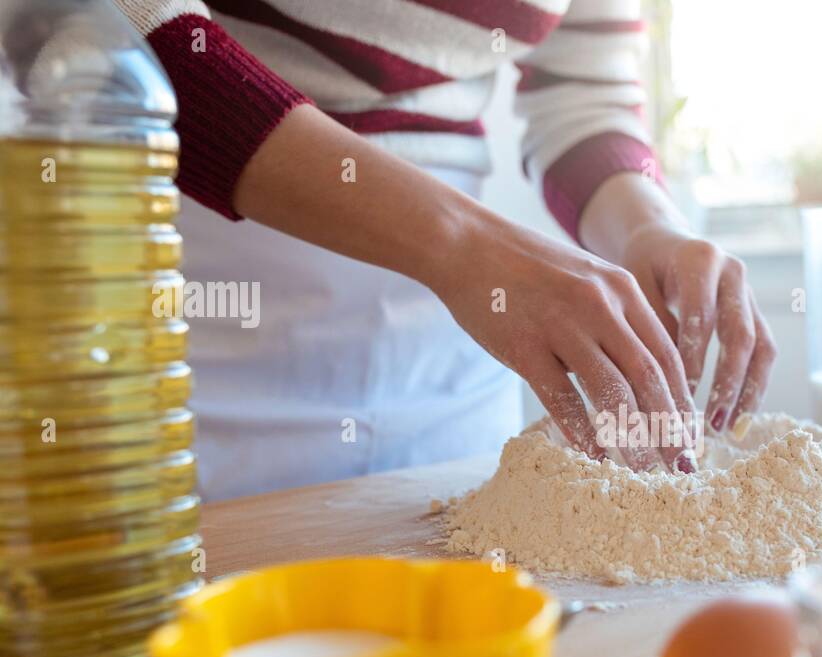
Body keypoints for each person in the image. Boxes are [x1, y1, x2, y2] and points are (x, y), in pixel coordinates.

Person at [113, 0, 775, 499]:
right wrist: (462, 245)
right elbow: (132, 31)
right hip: (188, 309)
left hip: (453, 356)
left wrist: (647, 227)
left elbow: (583, 95)